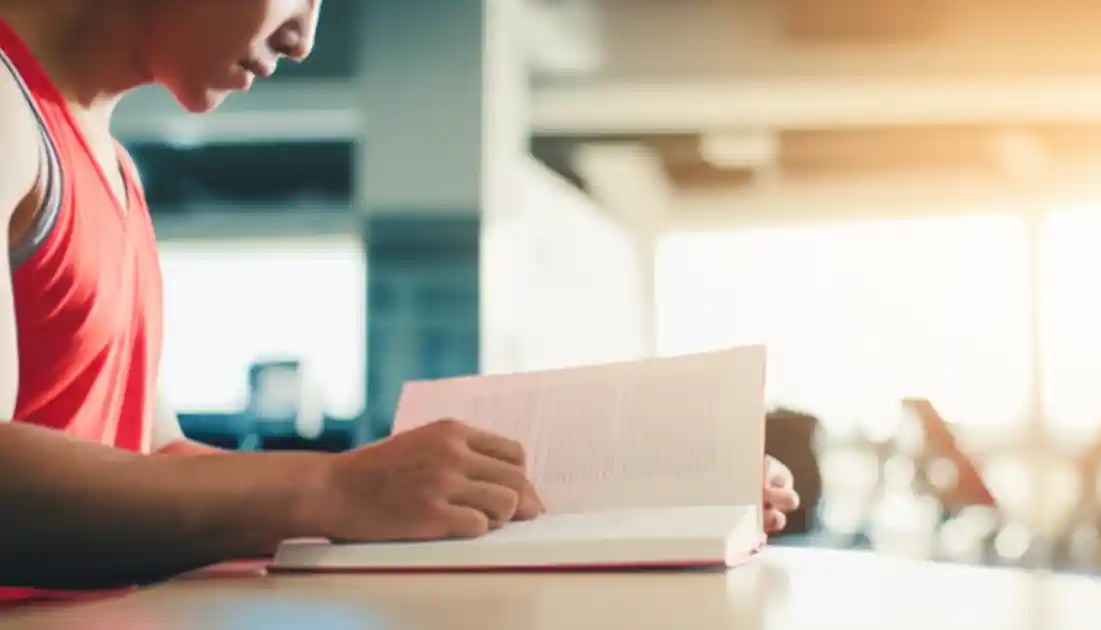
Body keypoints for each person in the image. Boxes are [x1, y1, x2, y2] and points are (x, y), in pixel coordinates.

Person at [0, 0, 801, 592]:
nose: (304, 35)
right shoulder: (7, 112)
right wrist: (332, 490)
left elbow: (151, 458)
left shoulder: (111, 168)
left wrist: (630, 496)